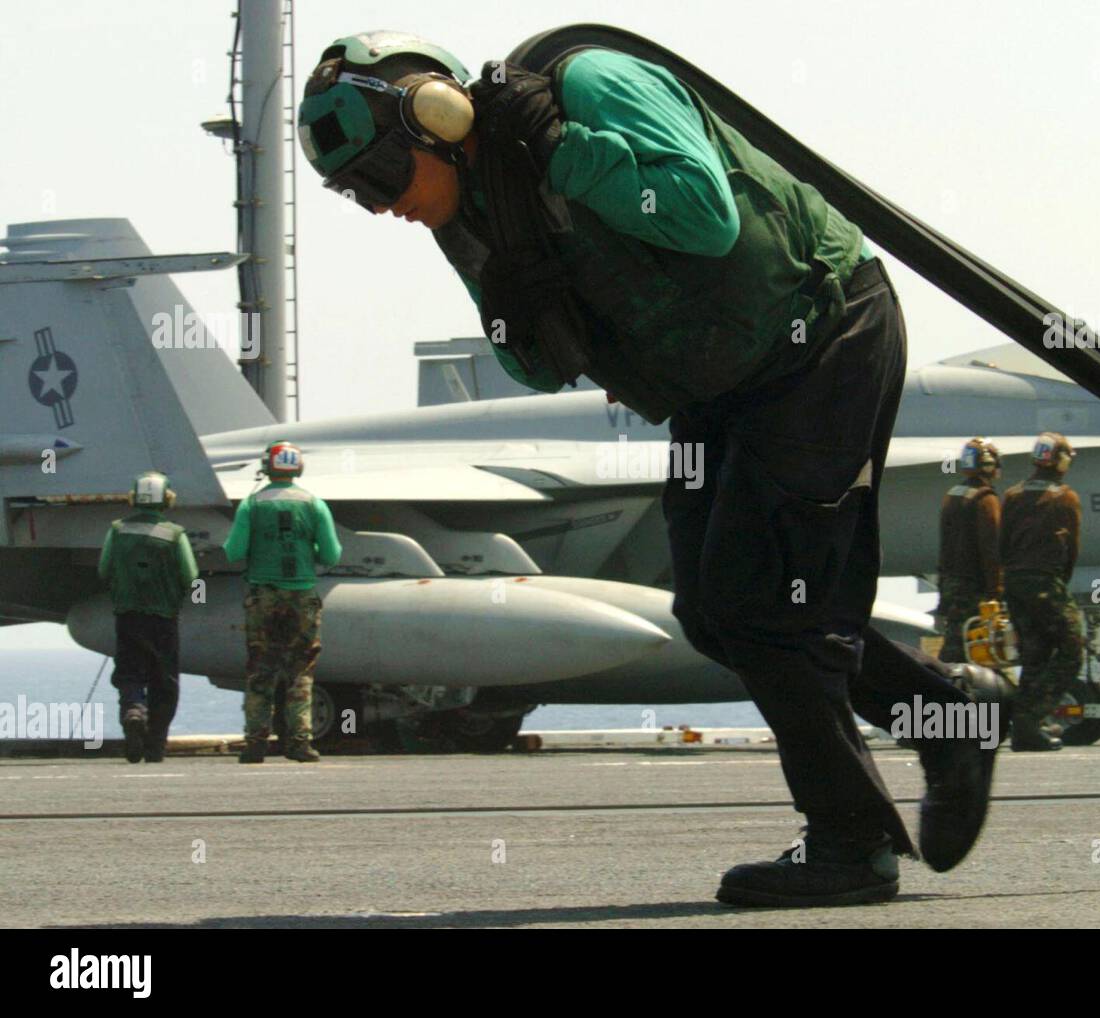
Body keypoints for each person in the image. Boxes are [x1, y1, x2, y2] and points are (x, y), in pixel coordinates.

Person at [297, 30, 997, 906]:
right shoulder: (470, 212)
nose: (381, 206)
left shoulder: (592, 86)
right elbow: (537, 365)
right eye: (357, 194)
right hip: (713, 383)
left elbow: (704, 215)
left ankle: (852, 845)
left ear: (434, 119)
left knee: (767, 608)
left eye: (381, 179)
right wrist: (521, 301)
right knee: (711, 612)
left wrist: (560, 149)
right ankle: (947, 717)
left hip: (817, 336)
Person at [223, 441, 342, 764]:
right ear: (297, 467)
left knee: (261, 671)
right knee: (300, 671)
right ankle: (300, 743)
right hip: (302, 596)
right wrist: (306, 555)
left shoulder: (251, 505)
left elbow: (233, 551)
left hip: (263, 596)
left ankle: (256, 743)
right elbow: (332, 554)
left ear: (267, 467)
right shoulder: (314, 504)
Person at [97, 472, 197, 763]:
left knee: (129, 673)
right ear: (167, 499)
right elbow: (191, 575)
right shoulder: (175, 534)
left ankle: (133, 710)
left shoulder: (117, 530)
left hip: (127, 616)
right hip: (164, 618)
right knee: (164, 682)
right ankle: (155, 745)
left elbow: (104, 570)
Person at [1000, 432, 1084, 751]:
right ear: (1060, 460)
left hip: (1015, 583)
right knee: (1071, 650)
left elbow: (1002, 544)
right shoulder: (1064, 497)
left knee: (1035, 654)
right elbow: (1071, 549)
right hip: (1045, 582)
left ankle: (1026, 732)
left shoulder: (1012, 495)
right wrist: (1058, 584)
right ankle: (1029, 717)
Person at [937, 438, 1003, 663]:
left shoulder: (952, 495)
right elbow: (991, 550)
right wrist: (996, 591)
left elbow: (945, 546)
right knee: (976, 651)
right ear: (987, 465)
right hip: (973, 589)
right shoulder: (985, 500)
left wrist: (942, 587)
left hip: (951, 585)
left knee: (954, 646)